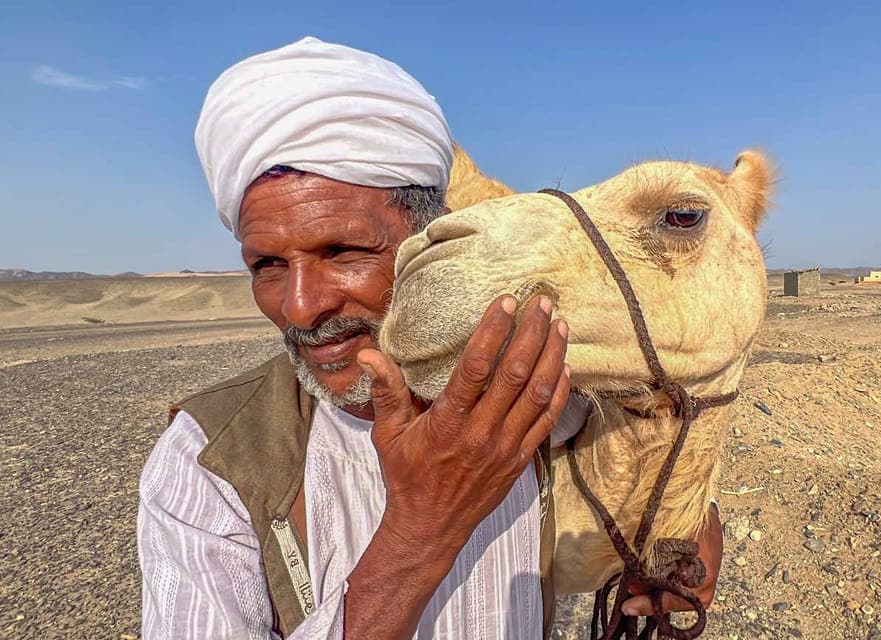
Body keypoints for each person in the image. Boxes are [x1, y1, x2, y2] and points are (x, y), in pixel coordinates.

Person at [137, 37, 722, 640]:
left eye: (343, 252)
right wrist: (425, 524)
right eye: (267, 265)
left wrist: (693, 530)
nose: (301, 307)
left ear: (432, 240)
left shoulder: (532, 390)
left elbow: (648, 433)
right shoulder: (209, 463)